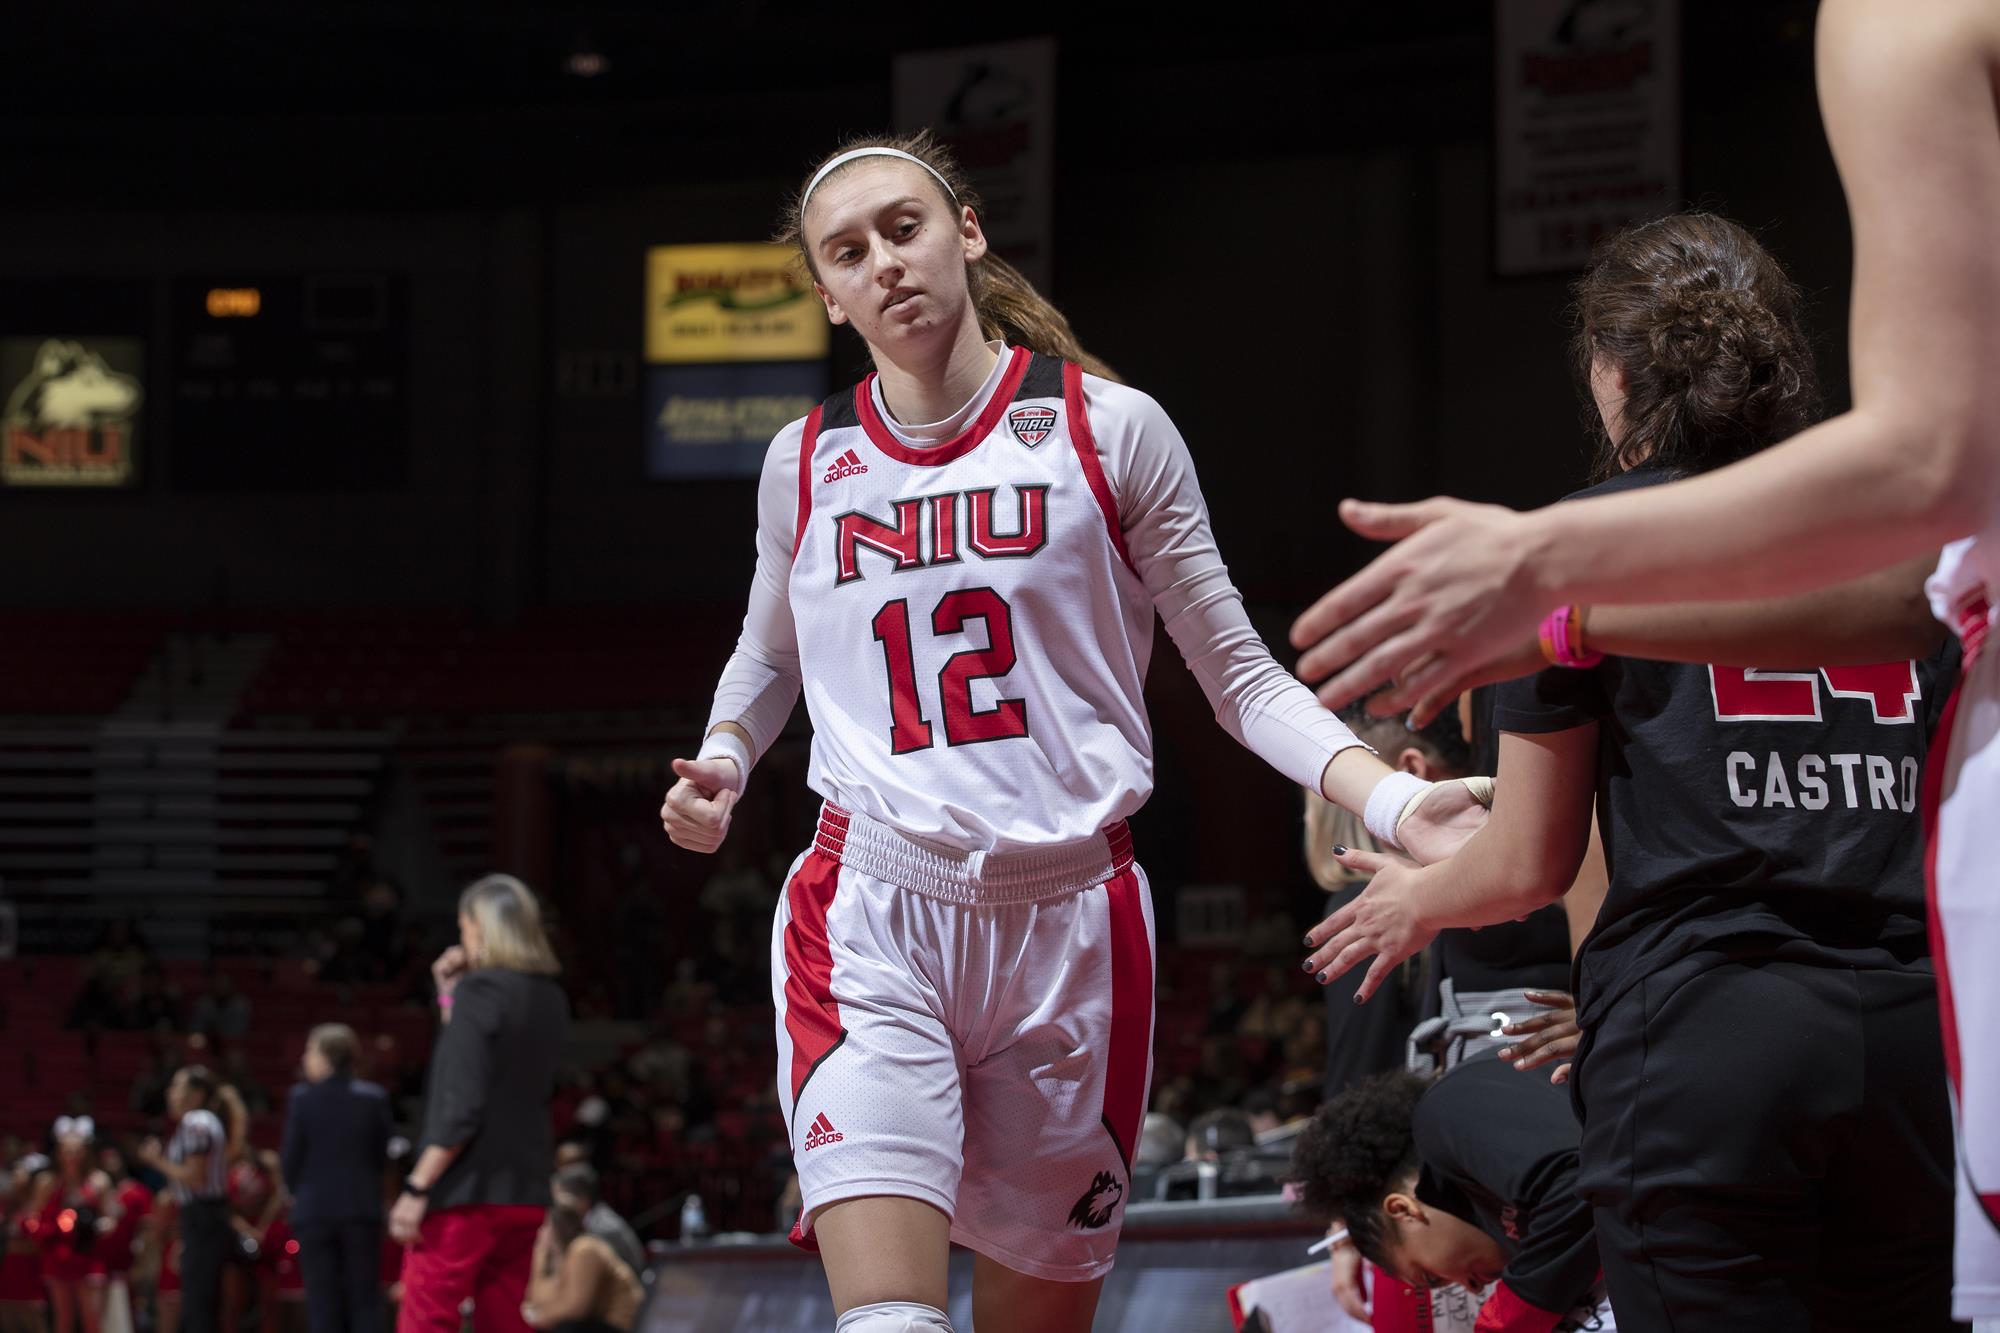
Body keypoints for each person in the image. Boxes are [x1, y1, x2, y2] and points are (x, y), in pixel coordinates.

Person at [657, 130, 1493, 1333]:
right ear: (828, 295)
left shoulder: (1112, 428)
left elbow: (1238, 677)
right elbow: (769, 648)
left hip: (1072, 921)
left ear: (967, 231)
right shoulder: (804, 460)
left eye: (903, 227)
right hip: (873, 905)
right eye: (846, 252)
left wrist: (1397, 801)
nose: (883, 261)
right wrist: (727, 755)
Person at [1287, 15, 2000, 1314]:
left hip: (1709, 1030)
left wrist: (1420, 899)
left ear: (1608, 372)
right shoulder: (1885, 533)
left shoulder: (1572, 560)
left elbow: (1533, 862)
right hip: (1914, 1030)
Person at [1290, 1064, 1609, 1333]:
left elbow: (1579, 1188)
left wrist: (1503, 1320)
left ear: (1403, 1210)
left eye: (1431, 1277)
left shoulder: (1446, 1108)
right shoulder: (1500, 1198)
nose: (1472, 1287)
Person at [389, 875, 569, 1333]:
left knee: (427, 1321)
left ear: (481, 927)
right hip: (525, 1191)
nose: (462, 937)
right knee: (506, 1323)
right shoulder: (550, 997)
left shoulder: (480, 990)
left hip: (466, 1192)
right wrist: (450, 993)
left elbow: (462, 1101)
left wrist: (417, 1187)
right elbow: (492, 1064)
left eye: (463, 926)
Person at [282, 1023, 391, 1333]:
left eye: (309, 1051)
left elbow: (291, 1158)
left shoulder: (302, 1098)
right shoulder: (374, 1097)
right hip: (361, 1210)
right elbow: (381, 1155)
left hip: (315, 1212)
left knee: (322, 1302)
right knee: (365, 1300)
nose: (304, 1059)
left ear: (327, 1056)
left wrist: (297, 1192)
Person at [138, 1068, 233, 1333]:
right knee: (200, 1298)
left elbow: (195, 1177)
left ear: (197, 1094)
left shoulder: (196, 1121)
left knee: (198, 1302)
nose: (170, 1093)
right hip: (202, 1216)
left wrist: (155, 1160)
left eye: (177, 1087)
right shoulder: (199, 1122)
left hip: (203, 1215)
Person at [31, 1118, 106, 1333]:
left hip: (89, 1256)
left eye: (77, 1151)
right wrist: (52, 1227)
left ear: (85, 1152)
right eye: (67, 1151)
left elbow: (110, 1216)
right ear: (58, 1153)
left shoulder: (98, 1181)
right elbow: (35, 1217)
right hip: (58, 1257)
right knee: (63, 1319)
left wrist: (96, 1225)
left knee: (92, 1319)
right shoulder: (47, 1182)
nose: (72, 1156)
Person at [520, 1206, 642, 1333]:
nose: (540, 1232)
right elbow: (538, 1300)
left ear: (559, 1226)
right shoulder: (562, 1257)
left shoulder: (584, 1248)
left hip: (623, 1325)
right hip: (597, 1322)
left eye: (545, 1226)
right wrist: (539, 1259)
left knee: (564, 1327)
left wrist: (539, 1316)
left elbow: (576, 1308)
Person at [547, 1167, 643, 1281]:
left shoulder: (602, 1229)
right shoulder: (592, 1219)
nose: (557, 1208)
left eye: (560, 1200)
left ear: (582, 1200)